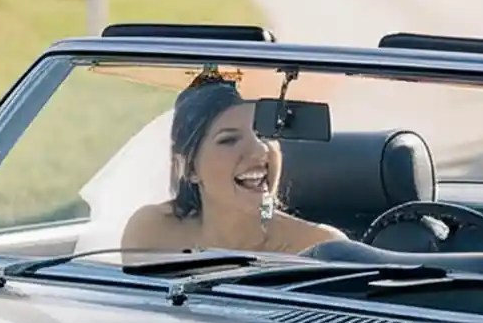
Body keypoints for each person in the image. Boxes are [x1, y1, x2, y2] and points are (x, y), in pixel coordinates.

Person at [122, 70, 345, 254]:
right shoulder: (151, 234)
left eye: (265, 134)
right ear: (190, 168)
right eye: (229, 140)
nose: (260, 150)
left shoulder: (322, 248)